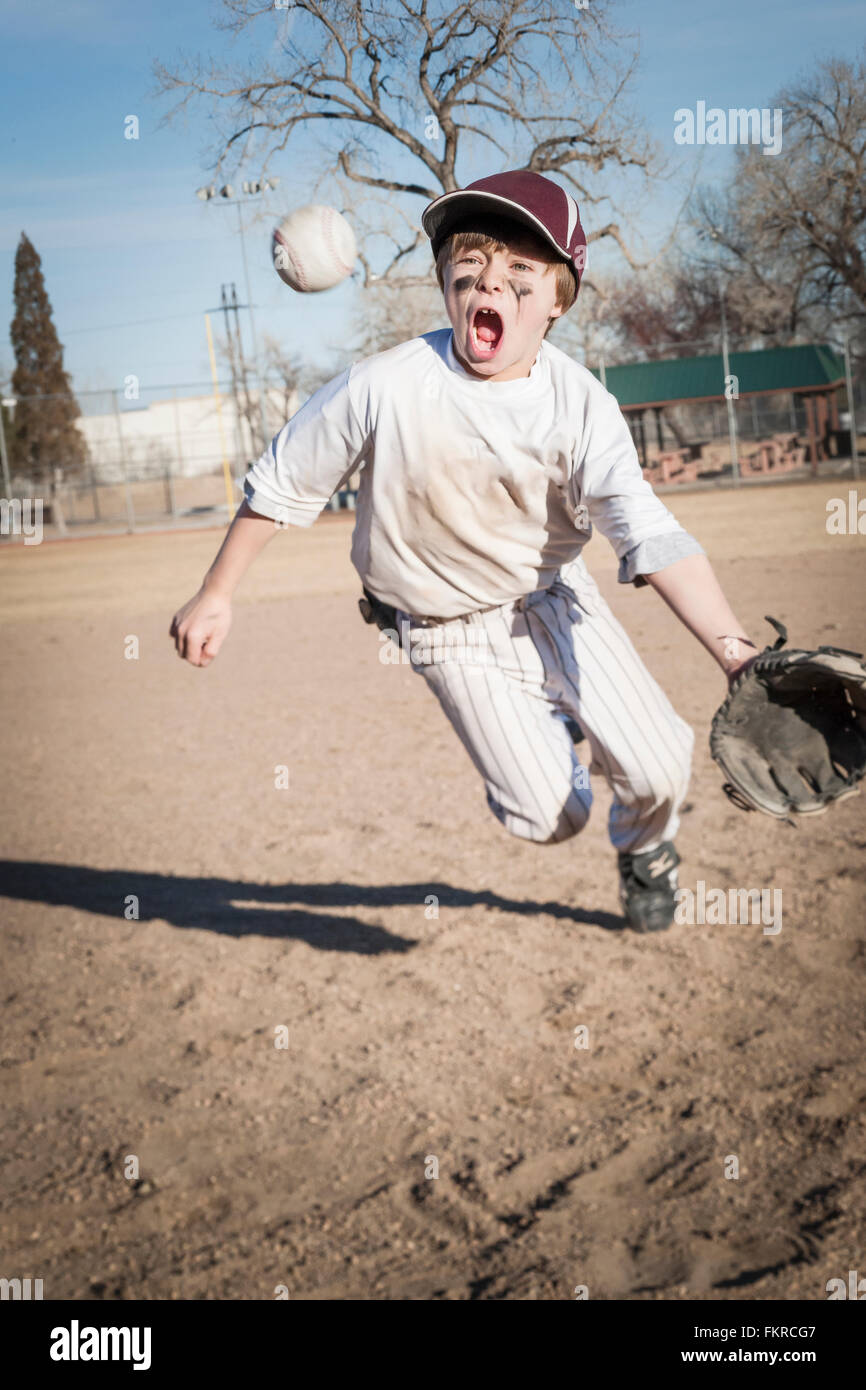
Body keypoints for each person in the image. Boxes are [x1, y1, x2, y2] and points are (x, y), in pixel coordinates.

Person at [169, 170, 757, 932]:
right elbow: (282, 482)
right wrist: (217, 592)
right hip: (444, 631)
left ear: (558, 300)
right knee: (549, 816)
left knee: (658, 769)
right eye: (469, 267)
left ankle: (645, 850)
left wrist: (737, 655)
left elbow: (646, 529)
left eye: (522, 272)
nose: (491, 283)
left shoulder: (582, 405)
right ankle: (553, 729)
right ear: (446, 285)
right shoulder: (383, 385)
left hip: (556, 602)